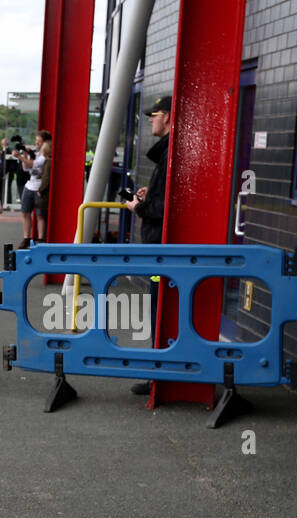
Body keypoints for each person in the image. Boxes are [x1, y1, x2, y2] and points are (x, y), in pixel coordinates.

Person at [124, 95, 172, 396]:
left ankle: (160, 376)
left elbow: (164, 210)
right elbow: (163, 200)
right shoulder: (168, 154)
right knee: (157, 307)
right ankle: (159, 372)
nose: (150, 120)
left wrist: (137, 207)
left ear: (166, 116)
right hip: (159, 253)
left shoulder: (170, 155)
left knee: (159, 308)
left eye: (153, 115)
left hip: (160, 254)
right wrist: (148, 196)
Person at [13, 130, 49, 248]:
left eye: (39, 142)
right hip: (30, 185)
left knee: (40, 215)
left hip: (40, 187)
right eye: (36, 141)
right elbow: (26, 168)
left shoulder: (44, 155)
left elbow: (35, 164)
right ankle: (26, 238)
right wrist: (25, 154)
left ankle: (41, 239)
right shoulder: (35, 152)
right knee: (25, 213)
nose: (36, 144)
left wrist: (20, 156)